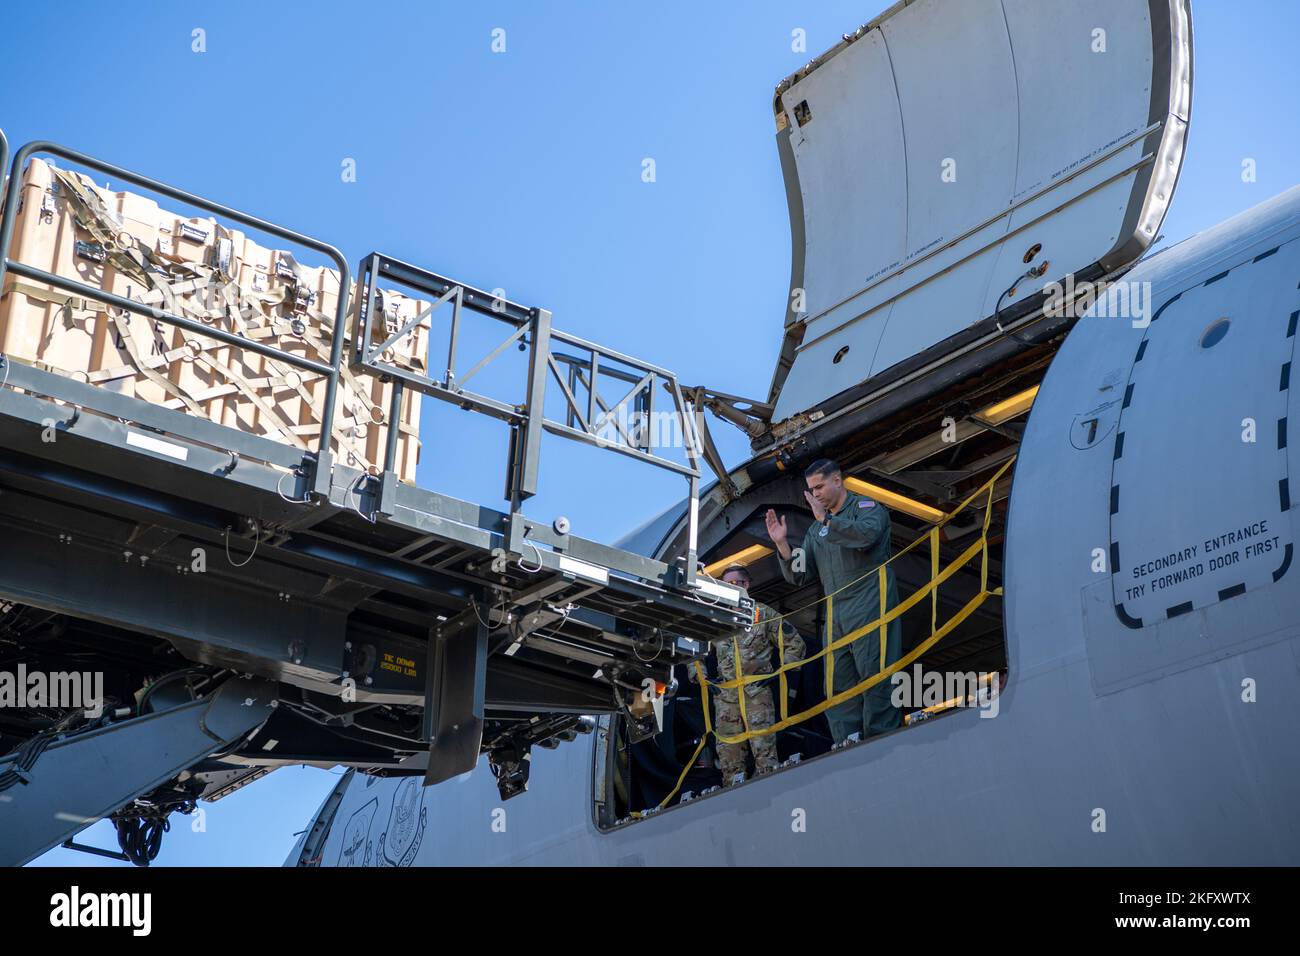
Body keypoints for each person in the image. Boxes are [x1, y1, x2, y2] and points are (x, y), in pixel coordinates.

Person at [765, 458, 902, 743]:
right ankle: (847, 745)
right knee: (838, 687)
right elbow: (801, 574)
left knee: (876, 678)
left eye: (819, 486)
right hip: (835, 617)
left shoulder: (867, 509)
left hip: (869, 605)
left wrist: (828, 520)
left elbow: (866, 536)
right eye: (811, 490)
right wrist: (782, 544)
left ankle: (884, 741)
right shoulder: (816, 531)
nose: (815, 494)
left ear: (837, 480)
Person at [710, 564, 806, 784]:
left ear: (746, 584)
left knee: (765, 755)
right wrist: (700, 676)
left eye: (734, 583)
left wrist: (779, 673)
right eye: (725, 584)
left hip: (757, 694)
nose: (730, 588)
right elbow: (694, 647)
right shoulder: (715, 617)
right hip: (726, 698)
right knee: (728, 759)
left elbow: (795, 643)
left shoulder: (761, 614)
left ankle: (770, 792)